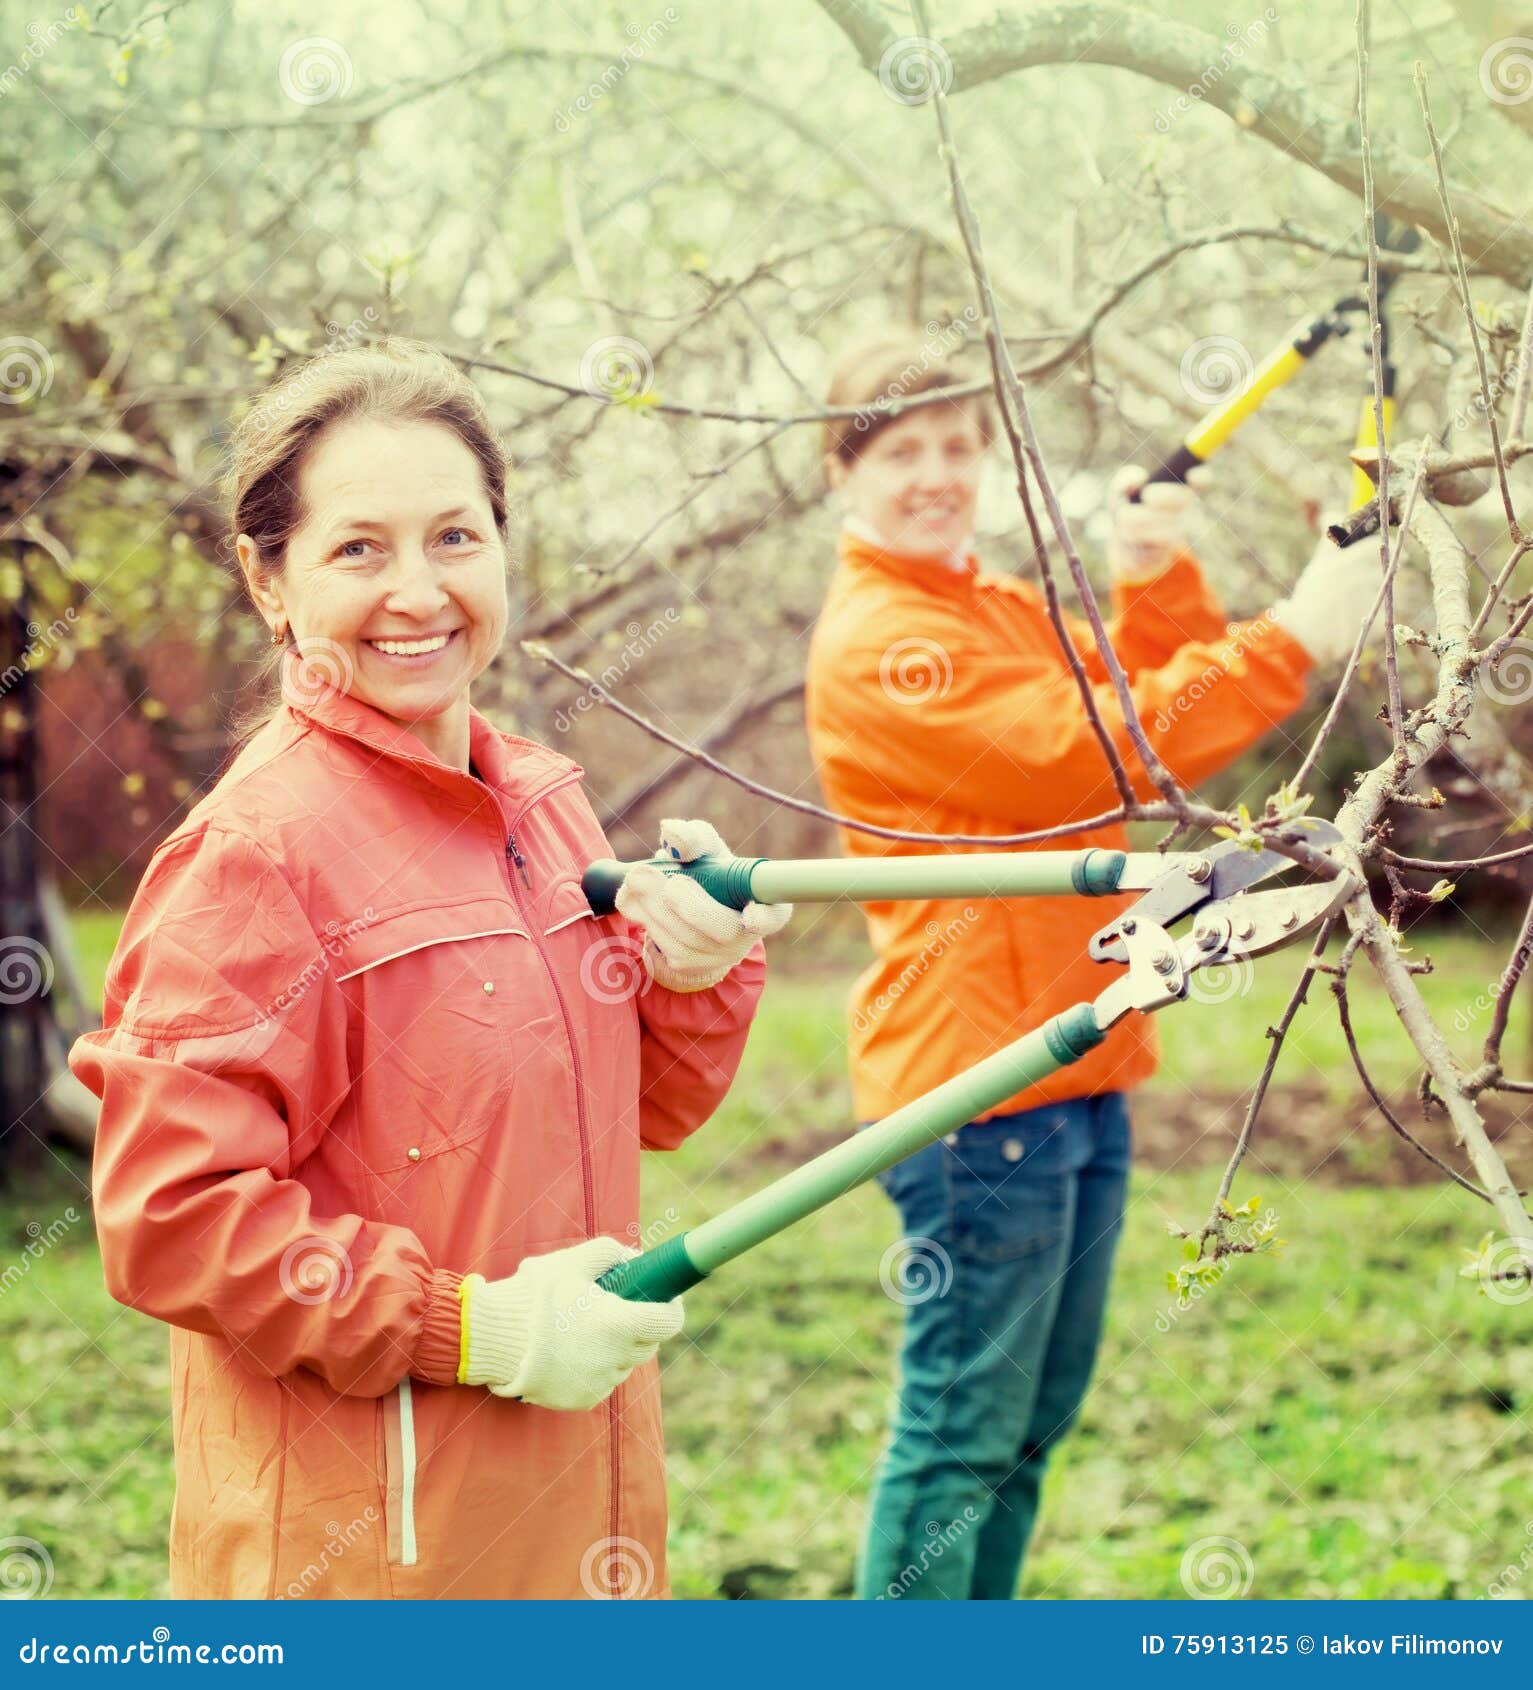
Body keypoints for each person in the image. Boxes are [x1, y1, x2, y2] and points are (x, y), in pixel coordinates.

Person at [68, 338, 791, 1600]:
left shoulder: (538, 805)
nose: (419, 590)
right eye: (360, 548)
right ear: (267, 578)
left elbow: (643, 1111)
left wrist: (693, 973)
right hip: (373, 1565)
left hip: (583, 1514)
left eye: (456, 537)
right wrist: (481, 1327)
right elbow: (168, 1221)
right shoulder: (254, 860)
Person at [804, 327, 1375, 1601]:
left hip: (1072, 1065)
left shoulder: (986, 601)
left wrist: (1156, 570)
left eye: (960, 444)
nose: (940, 473)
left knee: (1022, 1435)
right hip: (977, 1093)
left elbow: (1137, 687)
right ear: (842, 472)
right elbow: (1087, 749)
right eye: (902, 451)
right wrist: (1295, 634)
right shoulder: (886, 641)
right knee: (962, 1439)